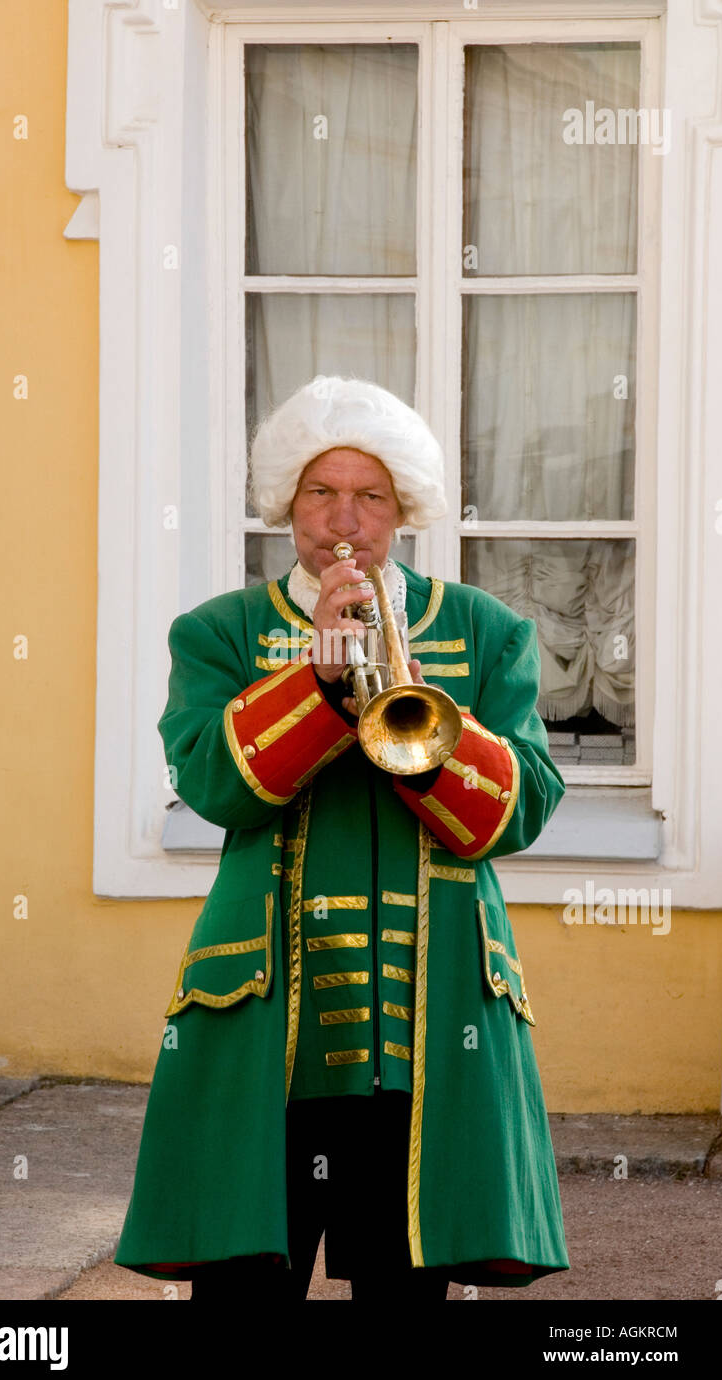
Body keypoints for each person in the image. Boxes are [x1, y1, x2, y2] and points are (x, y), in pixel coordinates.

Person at [114, 375, 570, 1302]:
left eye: (370, 496)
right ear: (288, 505)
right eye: (321, 493)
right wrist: (316, 688)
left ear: (403, 510)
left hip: (429, 1022)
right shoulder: (220, 632)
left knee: (404, 1285)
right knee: (244, 1283)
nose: (344, 520)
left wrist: (412, 714)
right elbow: (210, 788)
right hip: (267, 1007)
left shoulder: (486, 631)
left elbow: (515, 811)